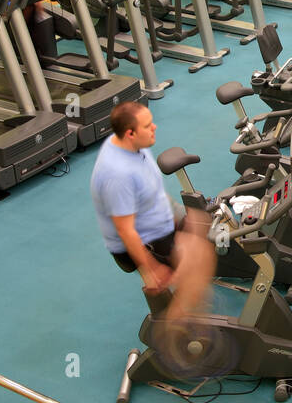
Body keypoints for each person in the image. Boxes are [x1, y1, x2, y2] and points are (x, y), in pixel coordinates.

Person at [91, 102, 214, 320]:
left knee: (204, 229)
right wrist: (151, 268)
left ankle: (184, 306)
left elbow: (151, 189)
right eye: (148, 125)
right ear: (130, 133)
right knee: (198, 256)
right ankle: (174, 329)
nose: (155, 127)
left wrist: (177, 215)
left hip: (154, 220)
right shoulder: (117, 176)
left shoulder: (134, 144)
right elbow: (126, 232)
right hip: (142, 238)